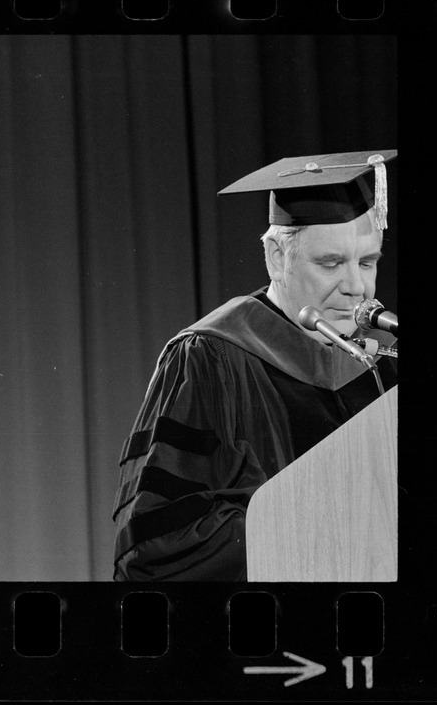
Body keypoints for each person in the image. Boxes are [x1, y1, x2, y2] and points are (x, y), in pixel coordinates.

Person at [113, 151, 398, 581]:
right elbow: (155, 541)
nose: (357, 287)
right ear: (277, 258)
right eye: (331, 263)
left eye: (367, 261)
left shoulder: (384, 364)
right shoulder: (209, 359)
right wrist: (317, 527)